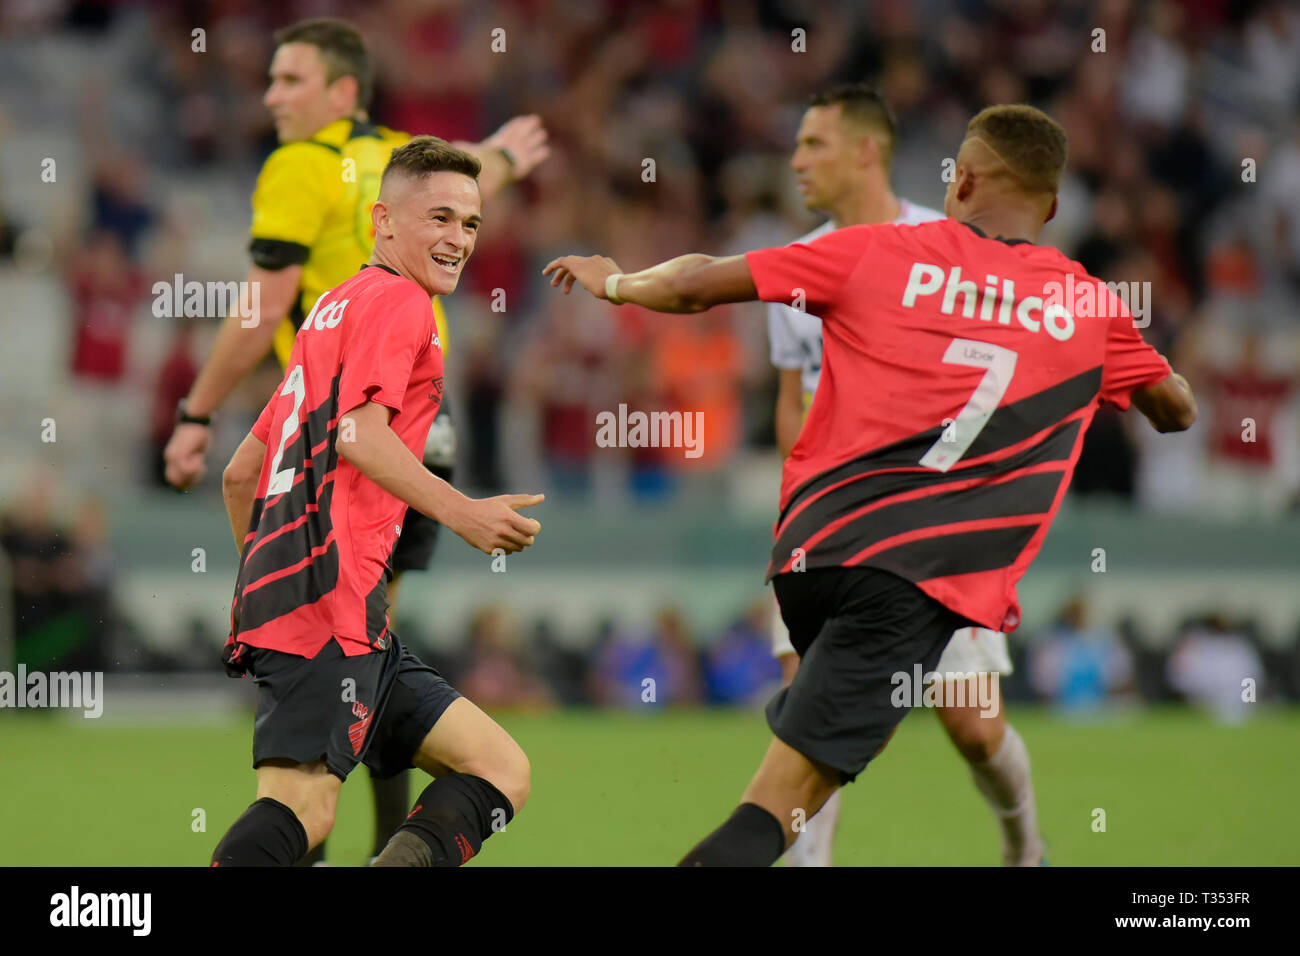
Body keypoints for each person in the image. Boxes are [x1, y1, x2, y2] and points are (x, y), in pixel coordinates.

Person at [544, 104, 1197, 866]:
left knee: (840, 770)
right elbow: (1176, 410)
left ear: (964, 179)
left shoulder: (877, 253)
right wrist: (1149, 374)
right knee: (770, 813)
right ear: (1051, 207)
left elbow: (695, 285)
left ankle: (1016, 849)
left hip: (810, 556)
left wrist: (616, 283)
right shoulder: (1090, 305)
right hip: (916, 575)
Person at [164, 17, 548, 864]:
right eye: (438, 219)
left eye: (471, 224)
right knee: (305, 811)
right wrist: (467, 515)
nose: (457, 239)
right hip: (328, 605)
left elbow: (241, 471)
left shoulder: (329, 309)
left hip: (332, 609)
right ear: (383, 222)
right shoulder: (402, 304)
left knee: (500, 766)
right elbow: (360, 438)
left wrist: (269, 590)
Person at [766, 84, 1044, 867]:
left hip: (938, 528)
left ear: (867, 150)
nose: (796, 160)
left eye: (813, 144)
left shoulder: (951, 245)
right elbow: (792, 403)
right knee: (809, 721)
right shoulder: (794, 270)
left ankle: (1026, 844)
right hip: (828, 529)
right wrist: (794, 510)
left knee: (974, 728)